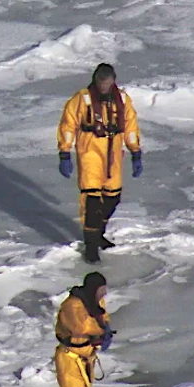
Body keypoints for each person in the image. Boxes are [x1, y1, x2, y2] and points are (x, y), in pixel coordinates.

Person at [57, 63, 142, 263]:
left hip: (113, 153)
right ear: (96, 80)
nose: (104, 87)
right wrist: (64, 152)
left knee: (112, 197)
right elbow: (68, 125)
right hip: (90, 152)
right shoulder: (81, 99)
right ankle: (91, 245)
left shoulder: (122, 99)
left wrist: (135, 151)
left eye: (107, 83)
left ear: (113, 81)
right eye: (101, 83)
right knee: (92, 199)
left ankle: (98, 233)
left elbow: (130, 126)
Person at [54, 271, 113, 387]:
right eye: (101, 290)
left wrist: (104, 332)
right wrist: (101, 332)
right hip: (70, 358)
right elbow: (82, 327)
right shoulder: (73, 305)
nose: (103, 294)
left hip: (86, 357)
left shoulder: (96, 304)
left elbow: (104, 320)